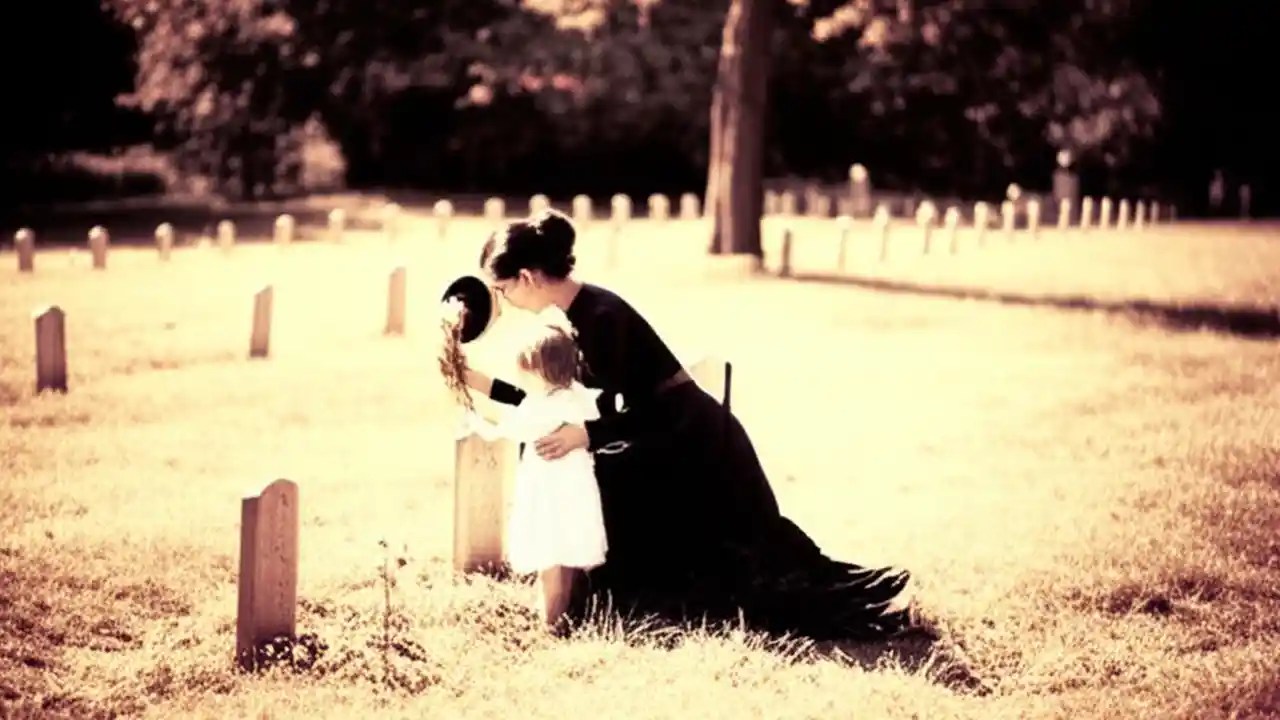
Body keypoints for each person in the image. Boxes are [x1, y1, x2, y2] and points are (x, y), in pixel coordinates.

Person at [452, 209, 913, 641]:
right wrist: (471, 377)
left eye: (504, 289)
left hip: (694, 441)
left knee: (755, 562)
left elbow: (650, 409)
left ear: (528, 278)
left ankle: (862, 607)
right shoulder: (584, 314)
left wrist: (586, 436)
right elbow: (562, 395)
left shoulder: (601, 318)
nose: (505, 301)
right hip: (673, 436)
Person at [450, 311, 610, 635]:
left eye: (526, 370)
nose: (520, 377)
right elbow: (507, 394)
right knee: (564, 558)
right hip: (573, 492)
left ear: (543, 372)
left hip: (550, 494)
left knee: (549, 557)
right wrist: (465, 375)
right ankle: (559, 614)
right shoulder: (573, 395)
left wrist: (473, 419)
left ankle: (550, 624)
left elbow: (506, 429)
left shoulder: (544, 405)